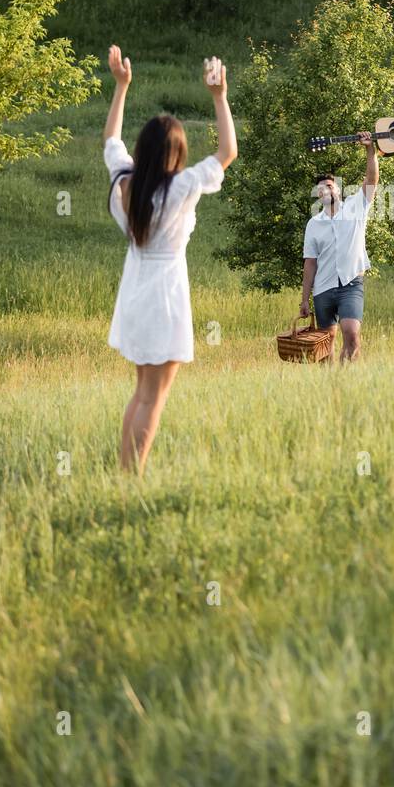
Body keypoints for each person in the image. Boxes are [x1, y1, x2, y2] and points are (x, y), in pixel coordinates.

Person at [103, 46, 237, 471]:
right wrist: (219, 97)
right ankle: (131, 476)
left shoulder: (125, 182)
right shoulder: (181, 188)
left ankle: (125, 471)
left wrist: (121, 87)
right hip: (165, 295)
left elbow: (111, 141)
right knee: (154, 397)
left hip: (135, 291)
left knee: (142, 391)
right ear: (176, 154)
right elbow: (227, 152)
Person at [300, 134, 379, 363]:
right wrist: (305, 299)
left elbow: (372, 179)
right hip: (323, 289)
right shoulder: (313, 225)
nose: (326, 191)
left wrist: (370, 151)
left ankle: (347, 383)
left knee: (352, 335)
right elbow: (310, 263)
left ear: (338, 190)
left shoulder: (356, 207)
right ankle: (329, 389)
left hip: (350, 285)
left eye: (330, 186)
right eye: (321, 190)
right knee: (325, 348)